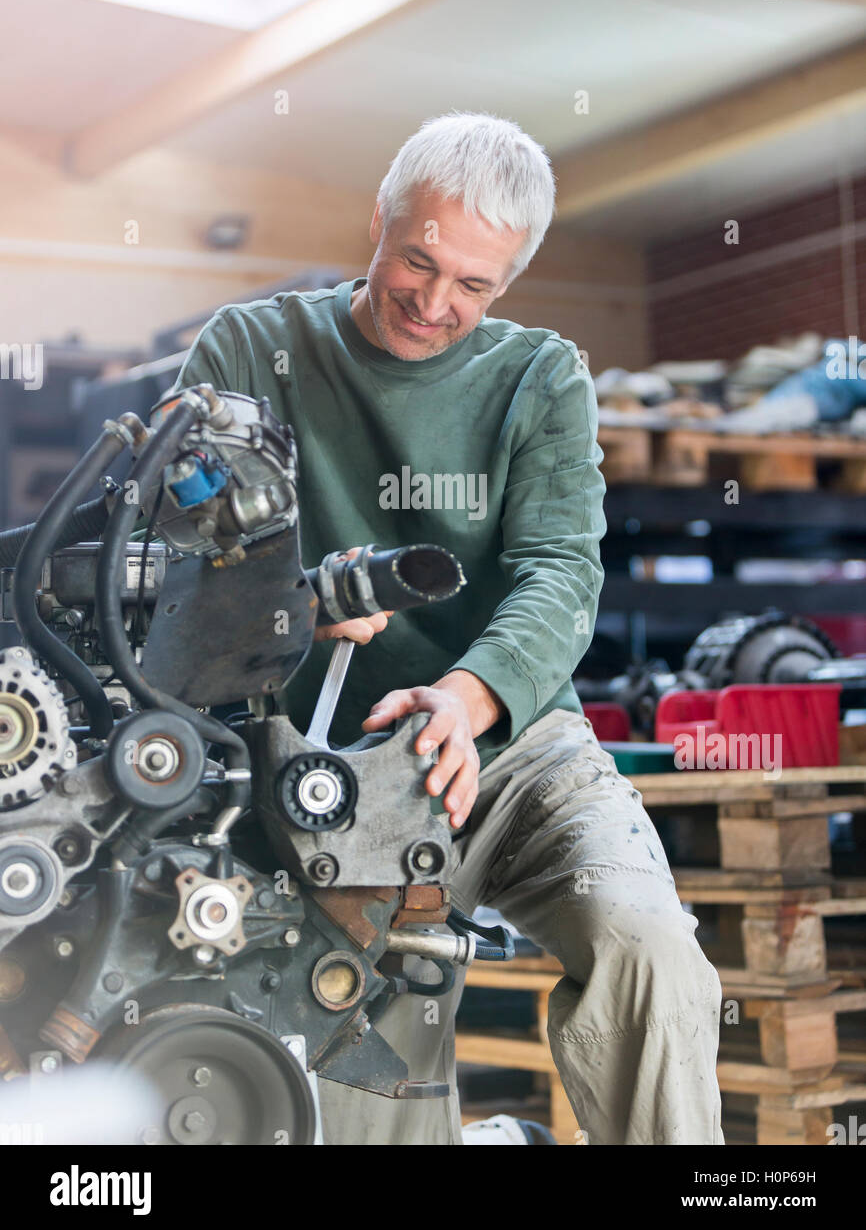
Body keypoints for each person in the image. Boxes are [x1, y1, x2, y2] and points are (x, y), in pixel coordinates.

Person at [174, 111, 723, 1145]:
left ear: (508, 279)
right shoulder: (250, 348)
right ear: (378, 218)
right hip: (324, 769)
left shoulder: (538, 377)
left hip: (511, 749)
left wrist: (465, 700)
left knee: (645, 945)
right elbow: (180, 549)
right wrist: (288, 592)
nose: (432, 305)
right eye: (417, 261)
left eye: (473, 286)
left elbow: (559, 568)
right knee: (367, 1015)